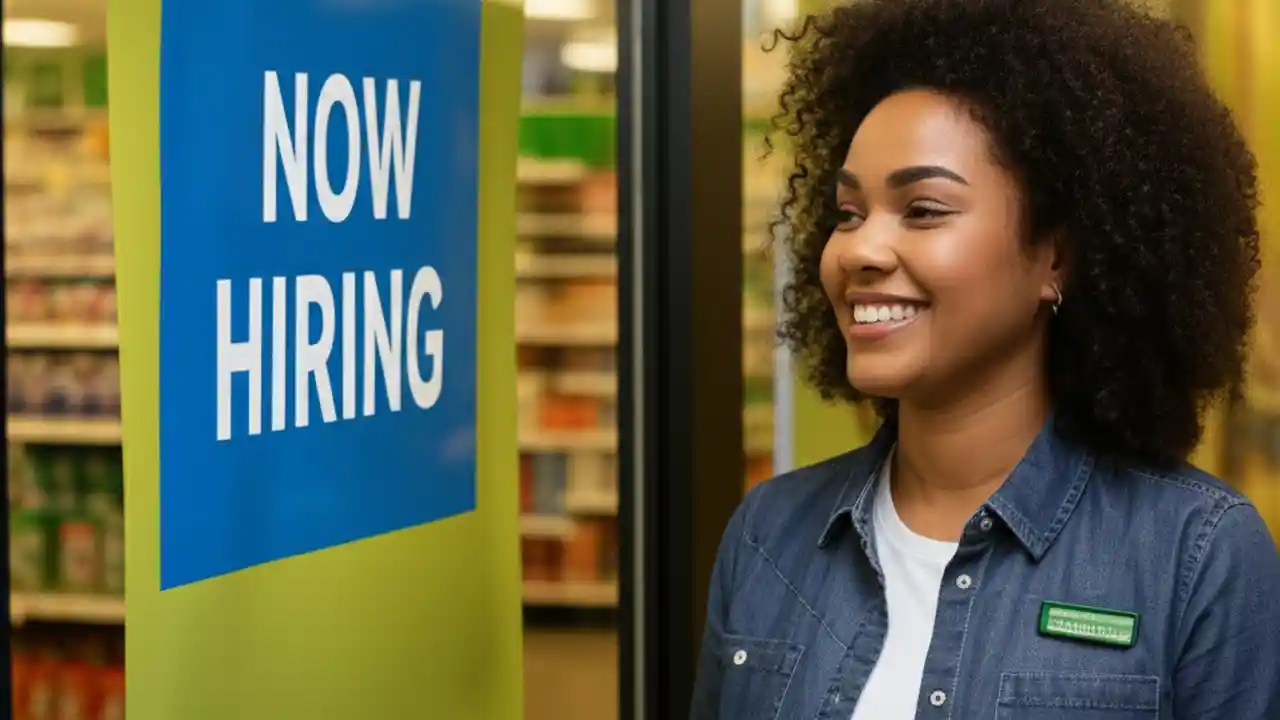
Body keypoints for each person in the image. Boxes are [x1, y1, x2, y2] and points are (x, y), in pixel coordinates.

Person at [690, 0, 1280, 718]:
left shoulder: (1195, 556)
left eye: (924, 209)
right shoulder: (768, 535)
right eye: (848, 214)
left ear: (1055, 257)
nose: (860, 251)